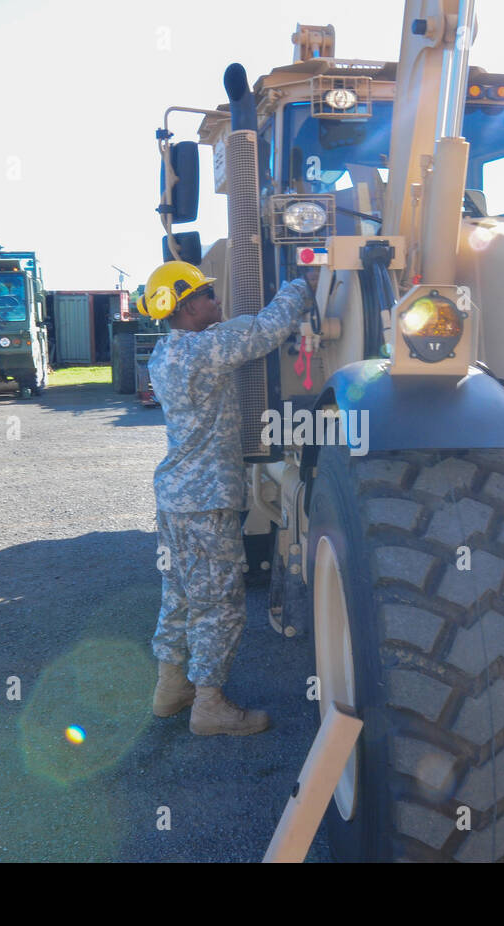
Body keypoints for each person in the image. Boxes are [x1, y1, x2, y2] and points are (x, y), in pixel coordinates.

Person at [137, 261, 314, 736]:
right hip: (207, 500)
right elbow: (267, 330)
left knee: (179, 595)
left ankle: (171, 690)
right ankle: (210, 707)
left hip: (176, 497)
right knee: (220, 604)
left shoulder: (165, 353)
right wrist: (302, 284)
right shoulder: (205, 349)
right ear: (188, 305)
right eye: (207, 294)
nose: (216, 299)